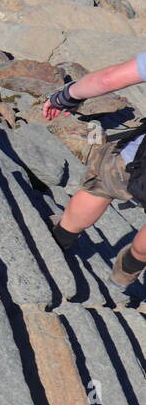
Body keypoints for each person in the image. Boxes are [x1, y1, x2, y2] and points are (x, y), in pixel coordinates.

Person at [45, 53, 146, 289]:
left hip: (135, 163)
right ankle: (125, 273)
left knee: (102, 183)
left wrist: (65, 97)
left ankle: (63, 236)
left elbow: (107, 80)